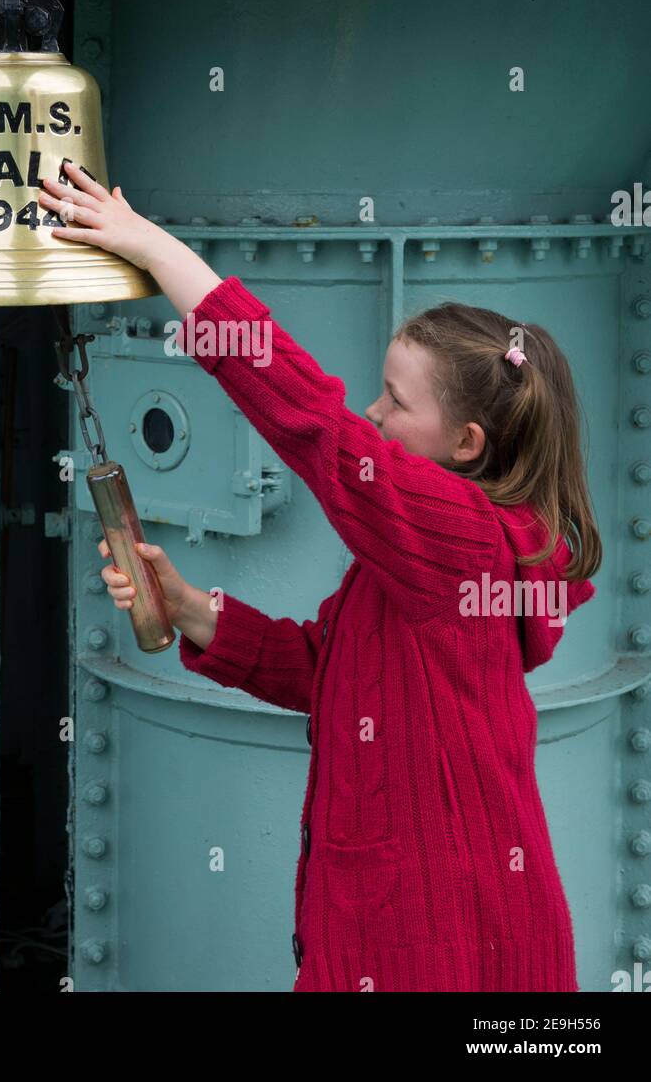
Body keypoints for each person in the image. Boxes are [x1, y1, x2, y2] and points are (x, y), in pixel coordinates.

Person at [38, 162, 600, 993]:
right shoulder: (431, 563)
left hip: (438, 951)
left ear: (467, 444)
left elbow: (310, 423)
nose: (373, 414)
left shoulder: (459, 544)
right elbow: (332, 671)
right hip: (435, 939)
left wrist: (155, 250)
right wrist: (196, 611)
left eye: (395, 401)